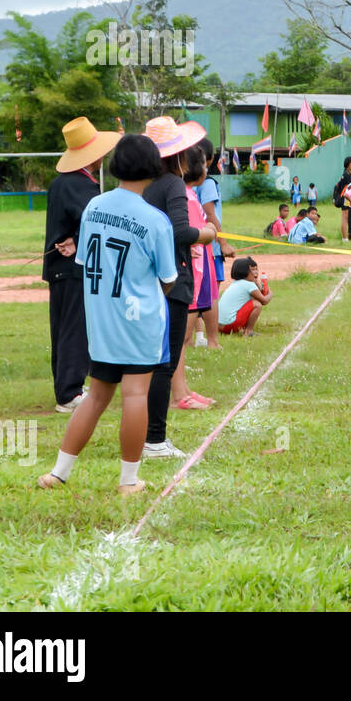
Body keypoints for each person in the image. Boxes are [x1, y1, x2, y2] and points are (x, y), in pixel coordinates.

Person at [37, 134, 179, 495]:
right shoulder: (155, 219)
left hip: (101, 320)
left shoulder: (95, 207)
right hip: (139, 321)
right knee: (135, 395)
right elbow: (168, 279)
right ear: (153, 168)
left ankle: (58, 472)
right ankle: (129, 481)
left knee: (97, 395)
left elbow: (85, 262)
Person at [141, 117, 215, 460]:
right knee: (163, 362)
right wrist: (208, 235)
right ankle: (155, 439)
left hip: (147, 278)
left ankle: (146, 435)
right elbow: (179, 232)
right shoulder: (172, 183)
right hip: (174, 277)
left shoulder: (145, 184)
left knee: (147, 360)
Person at [45, 117, 121, 414]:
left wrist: (75, 237)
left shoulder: (63, 182)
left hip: (60, 268)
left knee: (63, 327)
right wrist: (77, 239)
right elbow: (92, 223)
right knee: (74, 329)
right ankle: (69, 393)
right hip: (72, 267)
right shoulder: (79, 185)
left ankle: (67, 385)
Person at [176, 145, 217, 409]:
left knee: (183, 335)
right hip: (190, 272)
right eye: (203, 162)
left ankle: (183, 390)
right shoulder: (186, 198)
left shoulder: (188, 194)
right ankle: (180, 396)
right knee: (181, 336)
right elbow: (191, 235)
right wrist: (210, 230)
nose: (206, 166)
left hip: (196, 272)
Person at [192, 138, 232, 349]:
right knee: (211, 293)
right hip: (210, 247)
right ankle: (212, 341)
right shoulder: (208, 183)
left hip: (196, 243)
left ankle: (195, 338)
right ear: (210, 159)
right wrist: (223, 243)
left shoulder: (188, 184)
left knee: (195, 293)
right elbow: (210, 214)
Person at [218, 257, 273, 337]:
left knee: (253, 302)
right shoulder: (248, 285)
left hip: (219, 327)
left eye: (256, 269)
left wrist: (258, 286)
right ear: (243, 272)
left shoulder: (236, 283)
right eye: (252, 270)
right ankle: (248, 332)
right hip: (229, 326)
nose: (256, 272)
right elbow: (264, 301)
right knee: (257, 304)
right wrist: (270, 293)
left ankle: (243, 329)